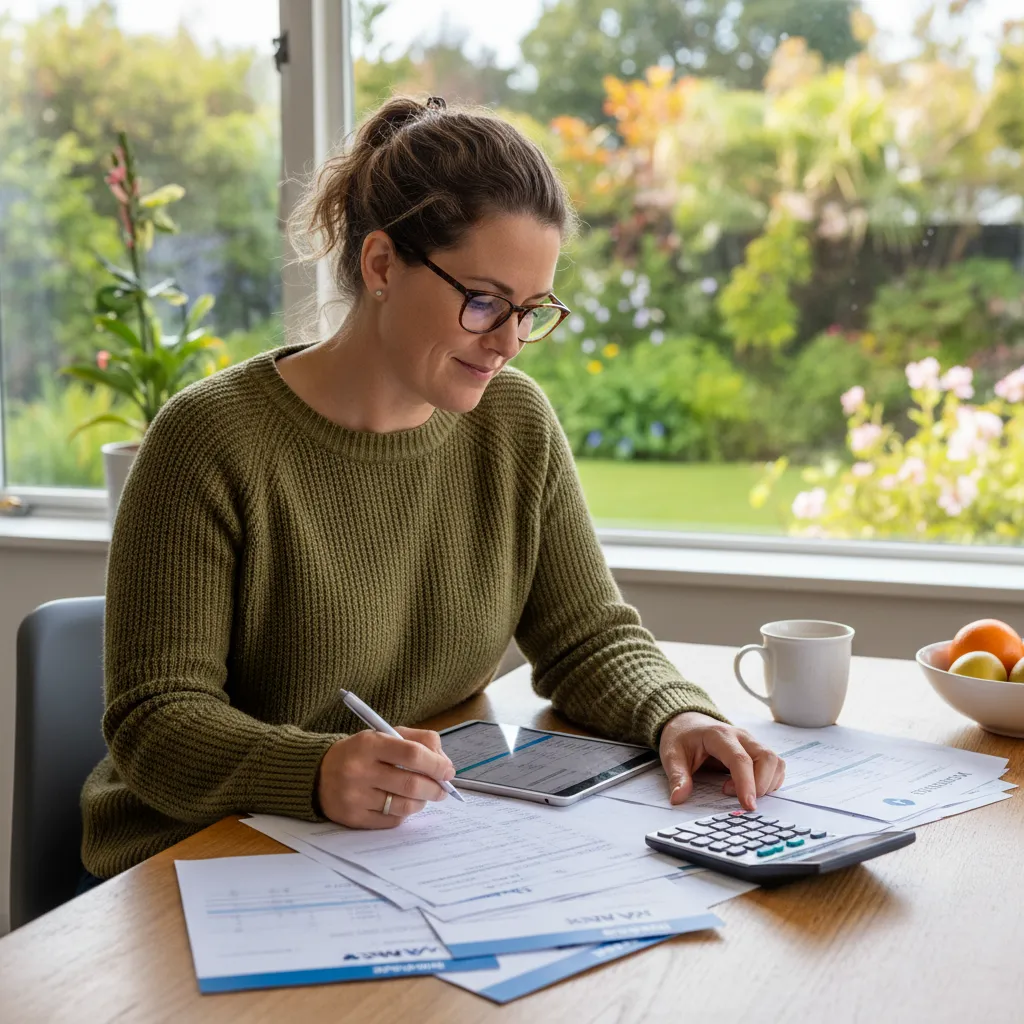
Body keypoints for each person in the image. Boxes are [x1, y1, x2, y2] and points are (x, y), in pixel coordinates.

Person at [79, 95, 785, 882]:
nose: (509, 343)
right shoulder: (209, 442)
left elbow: (587, 637)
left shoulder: (513, 423)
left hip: (399, 851)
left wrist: (676, 713)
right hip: (203, 860)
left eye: (531, 311)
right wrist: (314, 772)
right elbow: (155, 722)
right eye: (483, 301)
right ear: (381, 265)